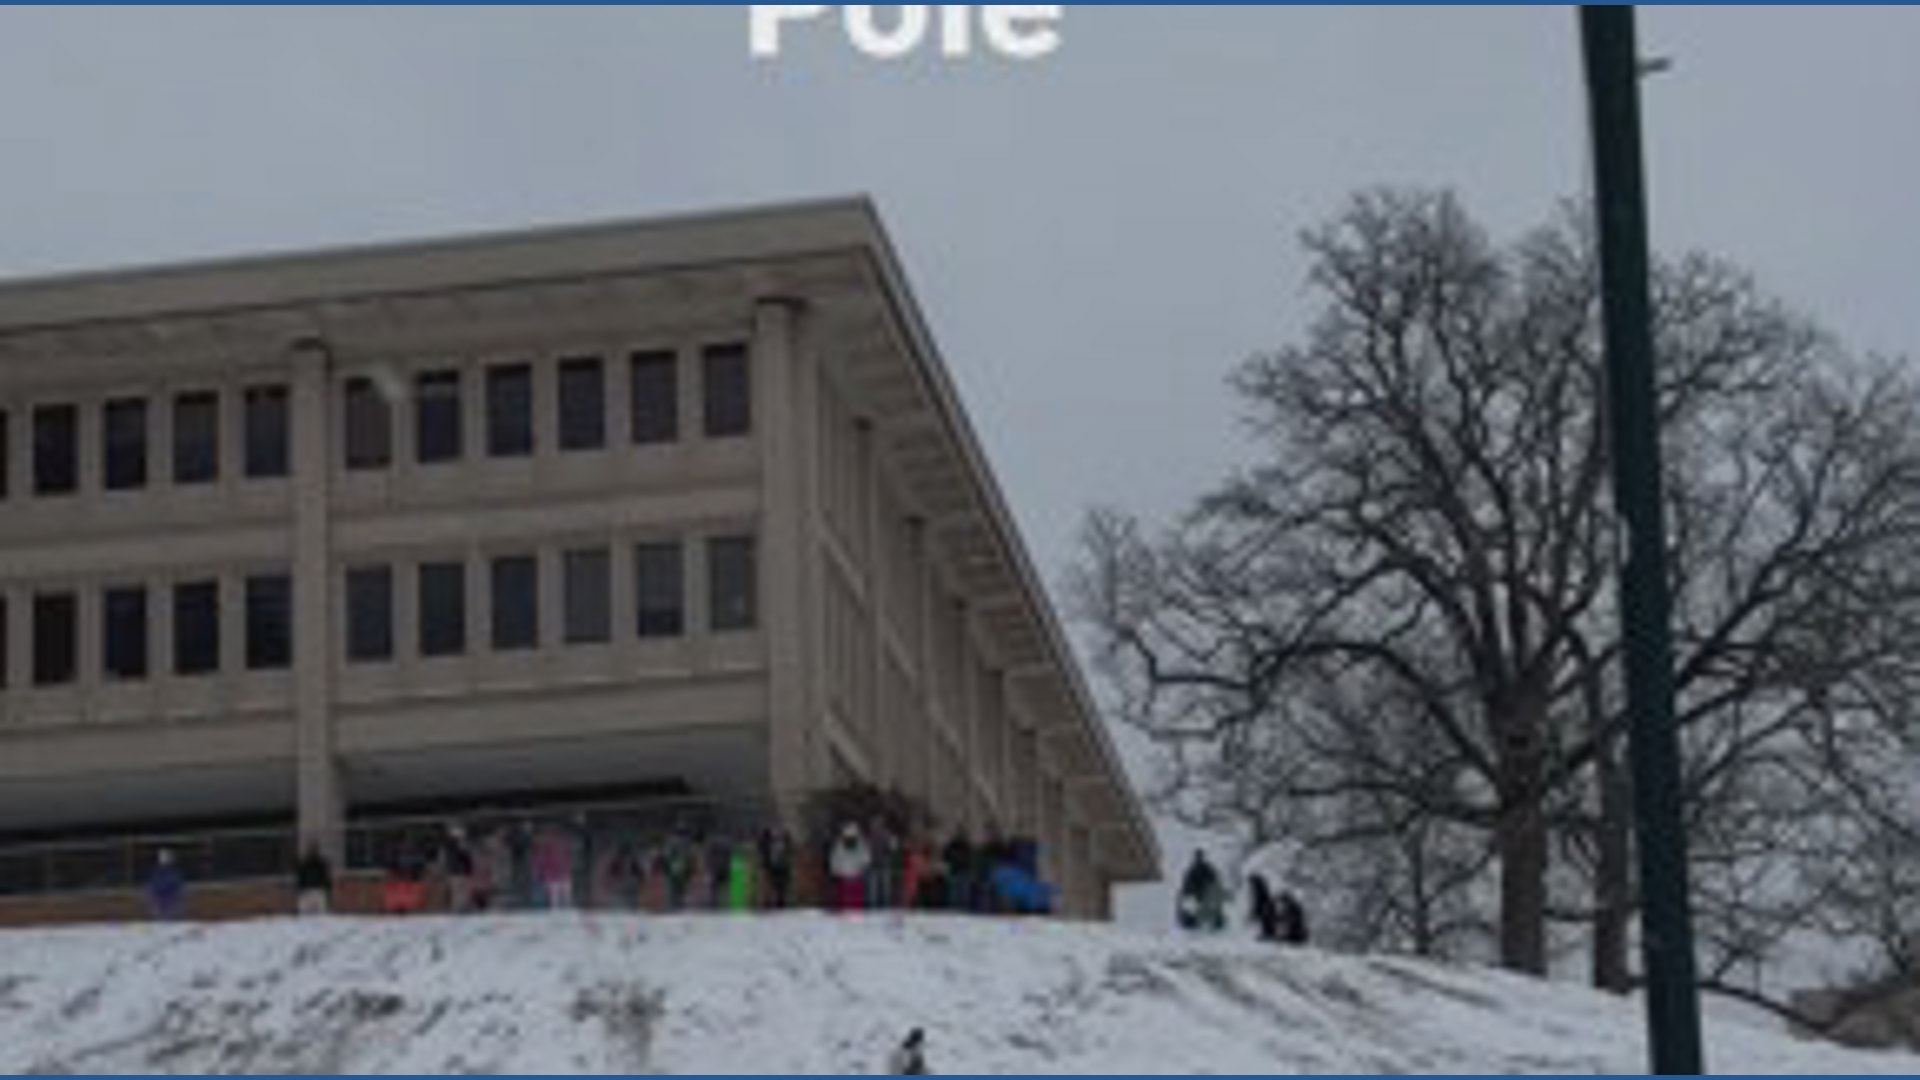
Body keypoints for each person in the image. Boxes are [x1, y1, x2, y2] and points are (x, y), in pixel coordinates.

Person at [828, 822, 873, 913]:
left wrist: (835, 871)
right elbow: (866, 859)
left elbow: (835, 859)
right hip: (852, 876)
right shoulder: (859, 844)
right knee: (852, 900)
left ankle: (849, 915)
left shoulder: (843, 844)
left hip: (847, 876)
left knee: (848, 900)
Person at [1177, 850, 1225, 932]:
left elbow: (1214, 880)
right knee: (1186, 905)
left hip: (1206, 894)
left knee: (1216, 903)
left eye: (1200, 857)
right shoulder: (1192, 870)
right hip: (1195, 894)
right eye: (1198, 857)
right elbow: (1186, 884)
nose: (1199, 859)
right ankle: (1189, 920)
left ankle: (1217, 920)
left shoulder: (1207, 868)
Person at [533, 824, 576, 910]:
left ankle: (564, 913)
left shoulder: (564, 844)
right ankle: (557, 914)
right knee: (555, 899)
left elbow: (568, 858)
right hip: (553, 875)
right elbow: (540, 859)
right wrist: (538, 870)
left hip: (561, 874)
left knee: (564, 898)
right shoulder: (546, 846)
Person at [443, 824, 477, 914]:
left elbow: (467, 858)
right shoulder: (453, 846)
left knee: (461, 892)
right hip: (457, 872)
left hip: (459, 872)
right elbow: (463, 858)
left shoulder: (453, 846)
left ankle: (461, 908)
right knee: (459, 892)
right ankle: (459, 909)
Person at [759, 826, 795, 910]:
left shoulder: (781, 844)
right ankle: (771, 902)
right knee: (775, 886)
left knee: (778, 886)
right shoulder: (772, 843)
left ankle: (777, 902)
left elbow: (788, 854)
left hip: (778, 867)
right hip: (774, 867)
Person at [295, 846, 334, 917]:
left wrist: (299, 889)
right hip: (316, 890)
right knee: (320, 913)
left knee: (305, 914)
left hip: (310, 890)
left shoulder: (305, 863)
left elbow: (301, 878)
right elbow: (326, 878)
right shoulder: (320, 864)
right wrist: (328, 889)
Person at [147, 848, 185, 921]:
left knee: (169, 916)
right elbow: (151, 888)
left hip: (170, 899)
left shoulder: (175, 873)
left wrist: (178, 905)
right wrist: (153, 904)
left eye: (166, 858)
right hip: (161, 899)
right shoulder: (156, 873)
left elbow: (179, 889)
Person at [941, 830, 974, 913]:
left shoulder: (967, 846)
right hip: (955, 872)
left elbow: (970, 860)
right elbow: (945, 857)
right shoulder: (952, 846)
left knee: (963, 894)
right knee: (954, 895)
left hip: (963, 872)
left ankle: (963, 910)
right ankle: (954, 910)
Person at [1247, 873, 1281, 943]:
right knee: (1266, 921)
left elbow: (1259, 899)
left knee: (1267, 920)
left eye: (1251, 882)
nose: (1250, 884)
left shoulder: (1258, 887)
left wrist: (1255, 911)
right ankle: (1269, 933)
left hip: (1266, 906)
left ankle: (1269, 934)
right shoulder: (1260, 886)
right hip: (1267, 905)